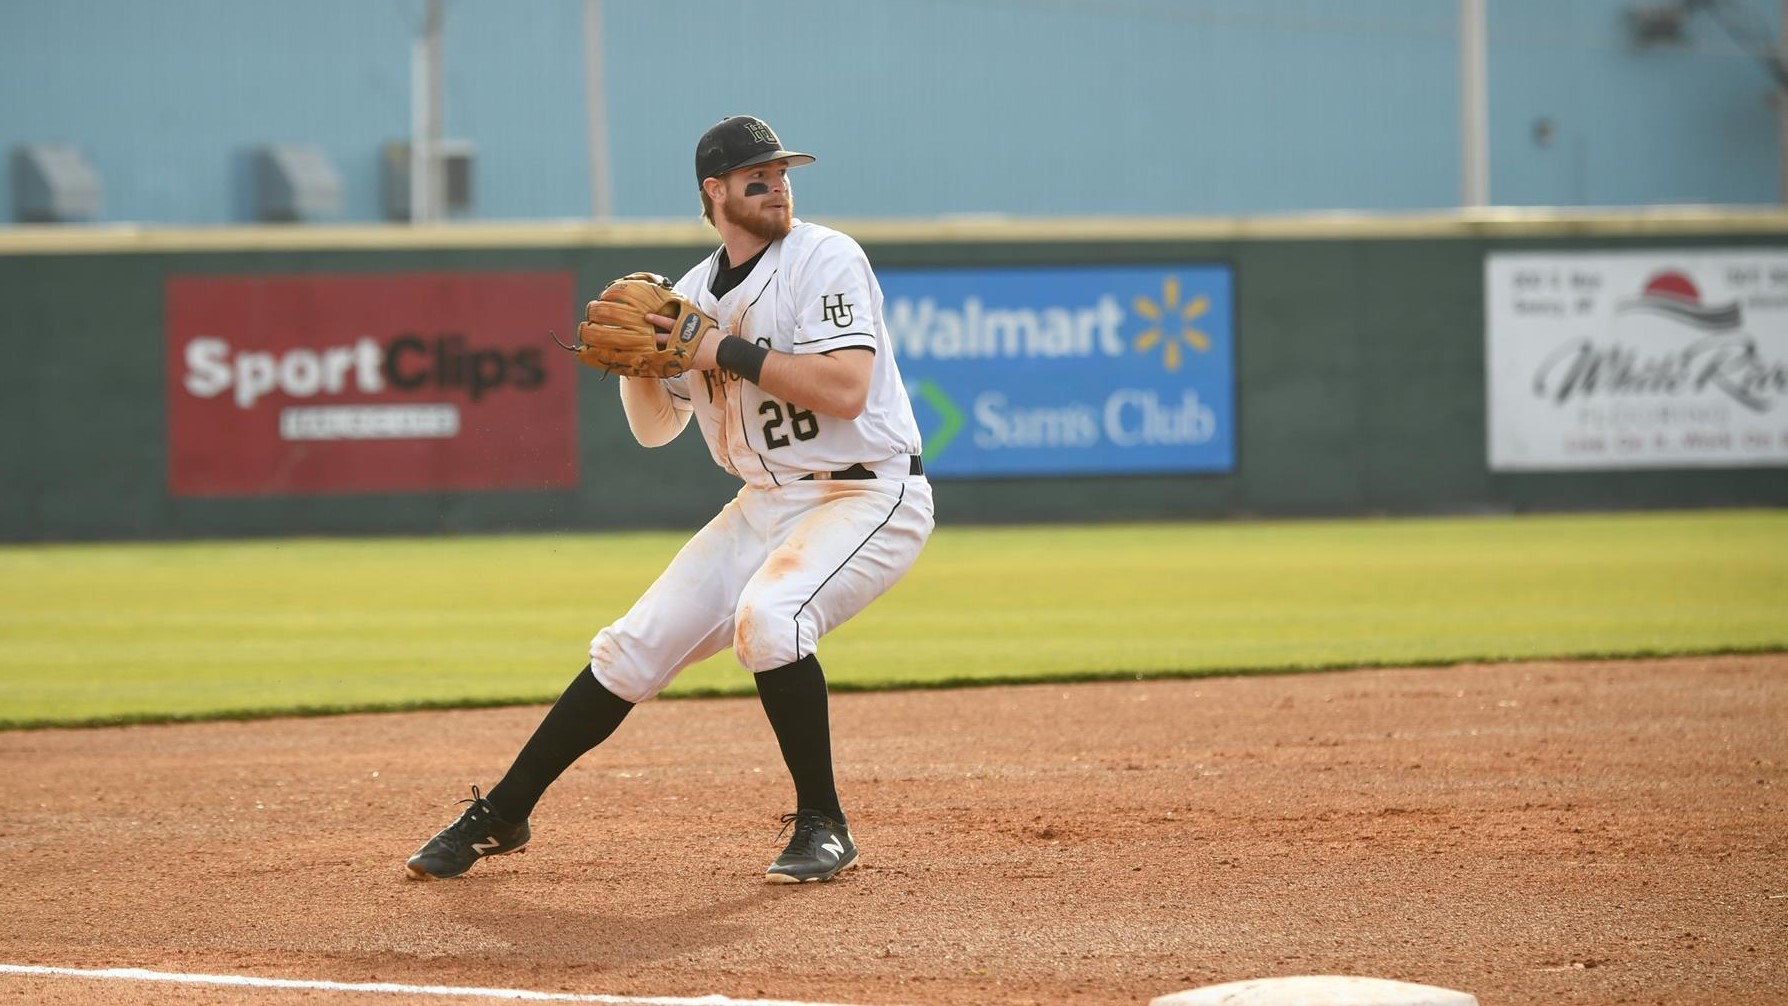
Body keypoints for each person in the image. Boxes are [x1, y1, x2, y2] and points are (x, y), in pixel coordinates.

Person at [404, 115, 934, 885]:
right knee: (630, 647)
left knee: (773, 617)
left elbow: (847, 391)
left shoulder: (824, 257)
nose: (778, 185)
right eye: (759, 176)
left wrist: (716, 347)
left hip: (867, 491)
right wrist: (639, 368)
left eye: (783, 172)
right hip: (765, 503)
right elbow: (658, 431)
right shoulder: (686, 294)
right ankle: (505, 814)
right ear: (715, 193)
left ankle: (825, 824)